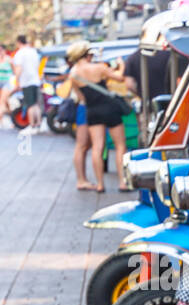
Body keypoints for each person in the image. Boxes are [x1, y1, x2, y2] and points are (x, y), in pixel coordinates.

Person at [67, 41, 134, 192]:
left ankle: (99, 184)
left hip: (92, 111)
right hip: (109, 109)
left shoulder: (73, 74)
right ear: (86, 54)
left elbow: (81, 98)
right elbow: (120, 78)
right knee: (120, 145)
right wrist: (121, 65)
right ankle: (122, 183)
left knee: (97, 147)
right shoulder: (99, 67)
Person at [12, 35, 44, 134]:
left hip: (27, 81)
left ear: (18, 42)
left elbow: (19, 69)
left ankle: (32, 125)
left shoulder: (20, 53)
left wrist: (17, 82)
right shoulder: (33, 51)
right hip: (35, 80)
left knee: (30, 104)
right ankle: (38, 124)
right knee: (35, 104)